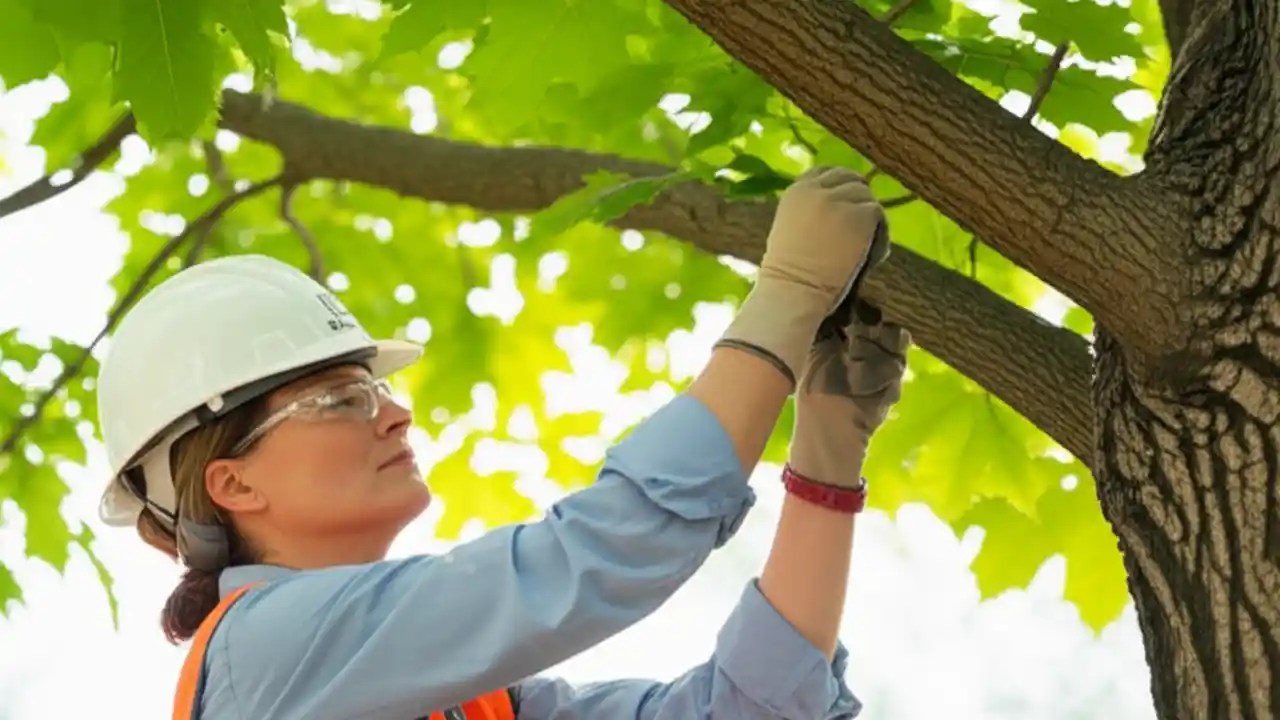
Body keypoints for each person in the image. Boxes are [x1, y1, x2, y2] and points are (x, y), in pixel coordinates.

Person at [95, 166, 908, 719]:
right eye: (342, 398)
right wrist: (786, 300)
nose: (394, 415)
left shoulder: (470, 699)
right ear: (233, 486)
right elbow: (594, 555)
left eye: (378, 389)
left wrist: (824, 471)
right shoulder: (264, 649)